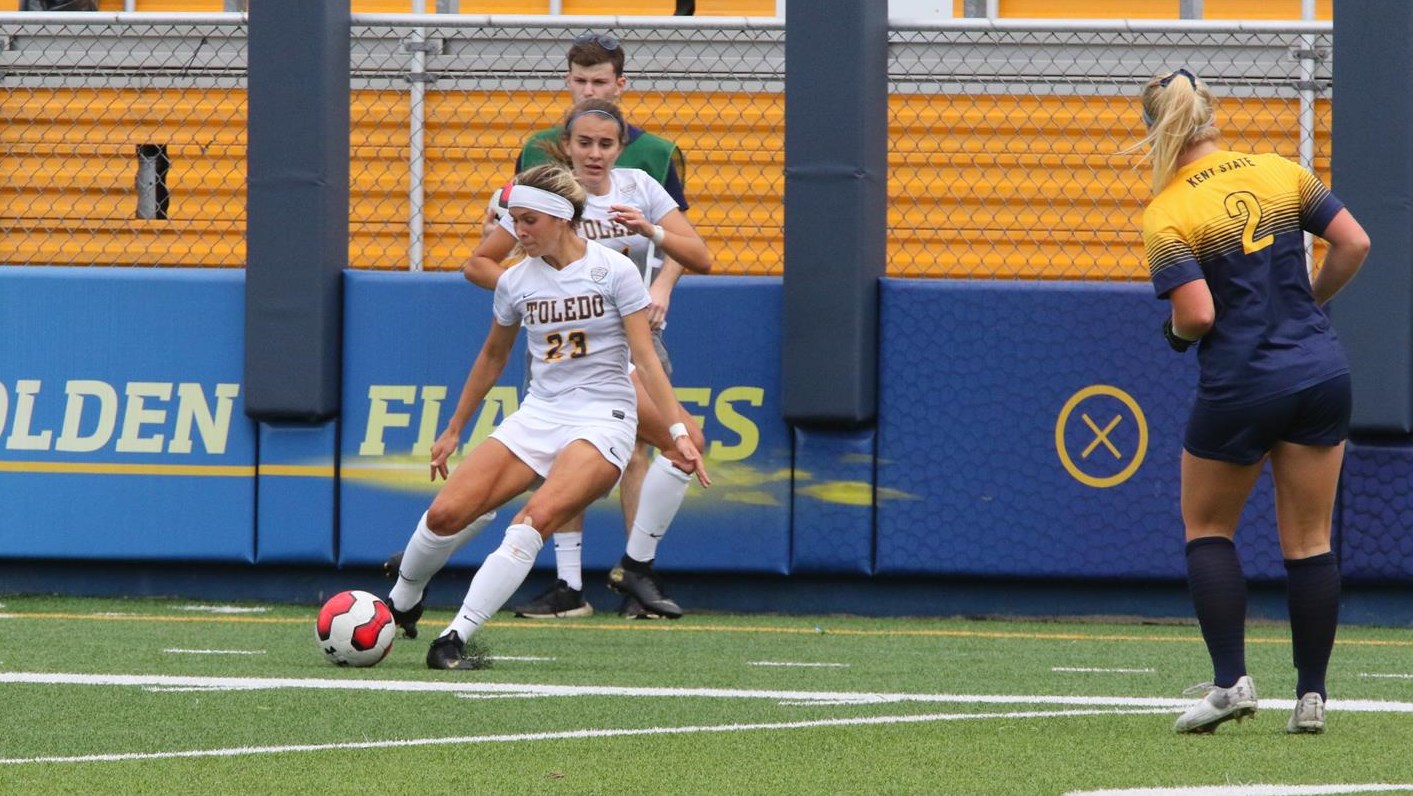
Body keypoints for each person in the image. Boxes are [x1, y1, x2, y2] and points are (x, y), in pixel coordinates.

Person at [383, 164, 710, 669]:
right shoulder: (515, 281)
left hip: (604, 416)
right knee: (445, 514)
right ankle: (403, 603)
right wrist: (453, 429)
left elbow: (645, 360)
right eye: (512, 220)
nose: (516, 231)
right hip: (540, 412)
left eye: (527, 220)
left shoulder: (614, 271)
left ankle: (454, 638)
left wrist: (675, 433)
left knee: (531, 520)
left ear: (561, 218)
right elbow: (492, 356)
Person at [1139, 68, 1370, 734]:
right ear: (1212, 116)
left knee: (1207, 528)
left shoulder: (1168, 212)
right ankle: (1311, 697)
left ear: (1155, 132)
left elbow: (1198, 315)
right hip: (1319, 371)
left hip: (1241, 381)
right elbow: (1353, 242)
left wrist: (1172, 333)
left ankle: (1230, 683)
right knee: (1309, 539)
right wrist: (1310, 300)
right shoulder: (1279, 170)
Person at [471, 99, 712, 621]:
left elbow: (700, 256)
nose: (595, 153)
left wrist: (651, 234)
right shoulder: (545, 197)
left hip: (631, 346)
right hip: (572, 351)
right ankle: (569, 583)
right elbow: (480, 262)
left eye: (606, 144)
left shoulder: (638, 190)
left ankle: (633, 565)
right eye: (584, 143)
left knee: (676, 443)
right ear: (566, 145)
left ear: (622, 147)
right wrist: (538, 295)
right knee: (562, 461)